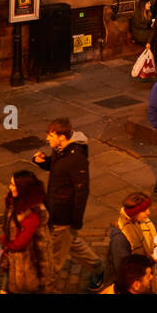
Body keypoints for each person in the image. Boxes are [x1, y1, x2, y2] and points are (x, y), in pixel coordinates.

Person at [32, 118, 103, 291]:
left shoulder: (76, 157)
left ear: (62, 136)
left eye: (50, 135)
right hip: (54, 208)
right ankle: (98, 267)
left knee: (55, 256)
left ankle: (45, 285)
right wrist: (43, 162)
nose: (48, 139)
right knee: (71, 243)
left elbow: (81, 191)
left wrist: (76, 220)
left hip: (63, 214)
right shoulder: (60, 150)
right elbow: (58, 170)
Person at [0, 170, 53, 294]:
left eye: (13, 185)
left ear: (22, 188)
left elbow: (20, 243)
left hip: (27, 270)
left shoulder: (32, 215)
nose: (10, 187)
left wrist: (6, 242)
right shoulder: (16, 202)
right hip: (15, 263)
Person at [105, 192, 157, 293]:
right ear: (134, 213)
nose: (148, 213)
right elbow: (125, 271)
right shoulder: (120, 239)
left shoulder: (139, 223)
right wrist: (151, 260)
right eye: (144, 210)